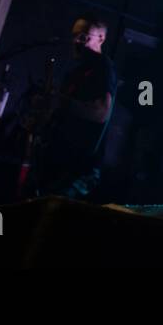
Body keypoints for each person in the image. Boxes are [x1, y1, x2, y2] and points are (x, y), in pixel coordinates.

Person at [38, 18, 118, 199]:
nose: (75, 41)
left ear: (101, 38)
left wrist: (60, 101)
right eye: (74, 36)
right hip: (59, 164)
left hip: (78, 170)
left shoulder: (103, 67)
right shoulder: (75, 73)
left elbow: (101, 112)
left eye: (83, 37)